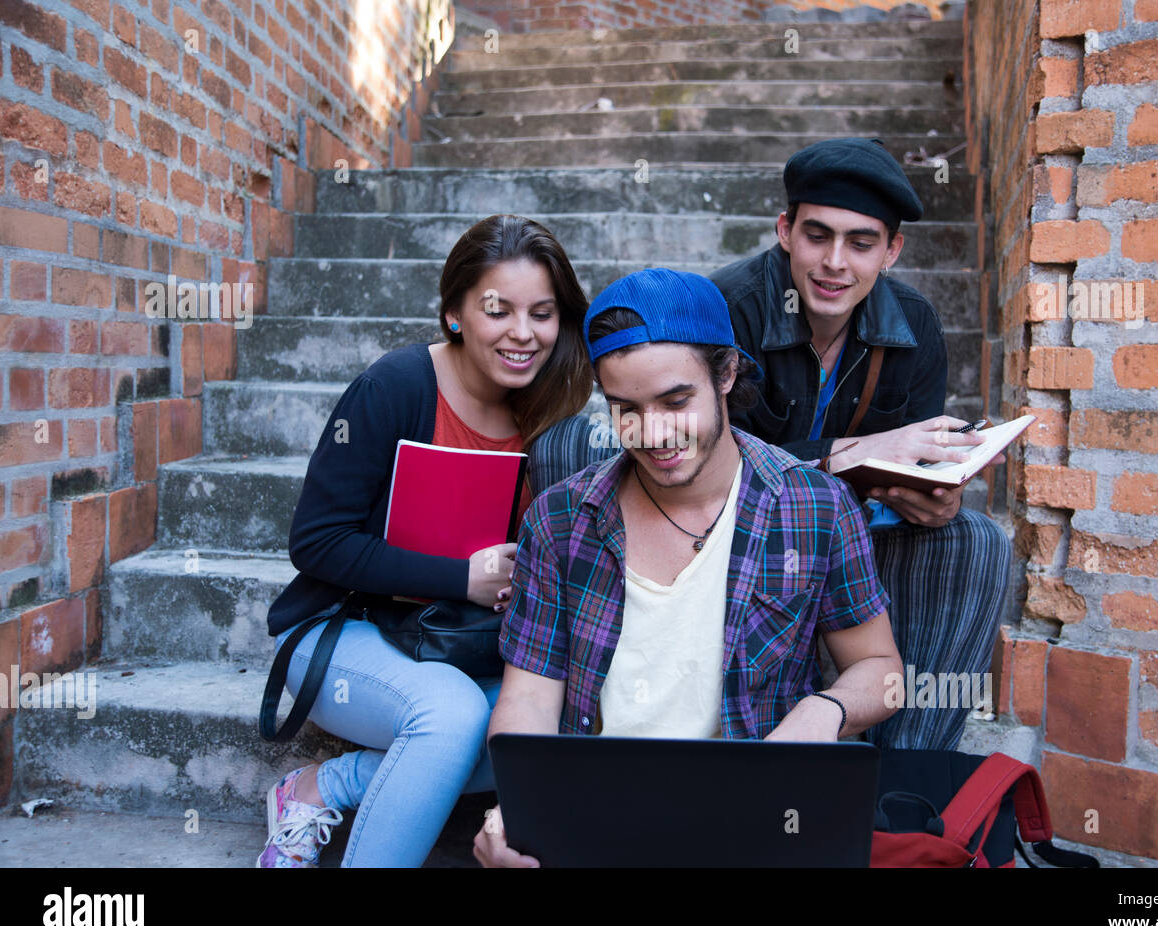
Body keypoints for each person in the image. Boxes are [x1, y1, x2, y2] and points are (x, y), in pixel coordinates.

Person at [473, 268, 902, 868]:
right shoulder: (560, 518)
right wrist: (516, 807)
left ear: (726, 374)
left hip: (756, 827)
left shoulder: (814, 506)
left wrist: (824, 710)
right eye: (628, 409)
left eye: (677, 401)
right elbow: (528, 702)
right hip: (594, 826)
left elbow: (882, 671)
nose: (656, 434)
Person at [258, 215, 592, 867]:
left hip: (467, 642)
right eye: (498, 310)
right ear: (455, 314)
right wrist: (463, 578)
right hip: (347, 634)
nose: (523, 333)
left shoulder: (553, 412)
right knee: (453, 712)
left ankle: (324, 785)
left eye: (543, 313)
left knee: (559, 726)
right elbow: (317, 541)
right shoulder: (395, 386)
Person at [707, 137, 1011, 751]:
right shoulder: (728, 308)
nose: (835, 263)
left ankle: (907, 771)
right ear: (786, 230)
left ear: (892, 251)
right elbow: (703, 462)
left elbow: (915, 466)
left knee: (976, 537)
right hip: (740, 533)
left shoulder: (915, 324)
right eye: (818, 235)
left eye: (861, 243)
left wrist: (935, 497)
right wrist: (845, 453)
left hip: (856, 533)